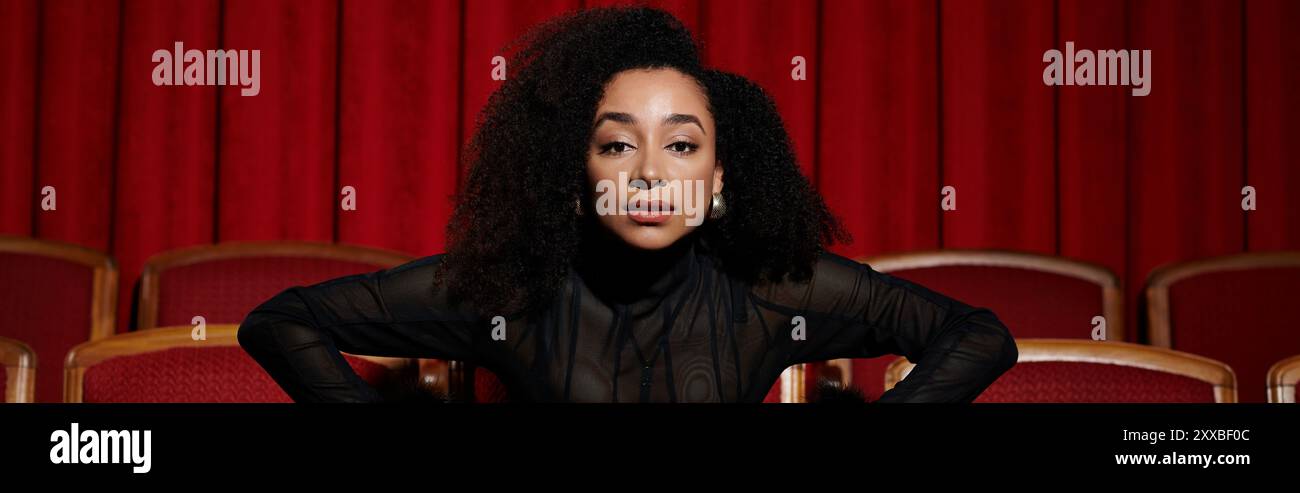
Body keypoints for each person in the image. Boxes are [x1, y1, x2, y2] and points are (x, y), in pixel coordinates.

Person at [237, 6, 1017, 403]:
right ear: (574, 179)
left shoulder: (778, 291)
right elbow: (278, 321)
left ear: (717, 181)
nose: (649, 173)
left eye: (681, 145)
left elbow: (979, 335)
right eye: (616, 145)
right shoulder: (507, 288)